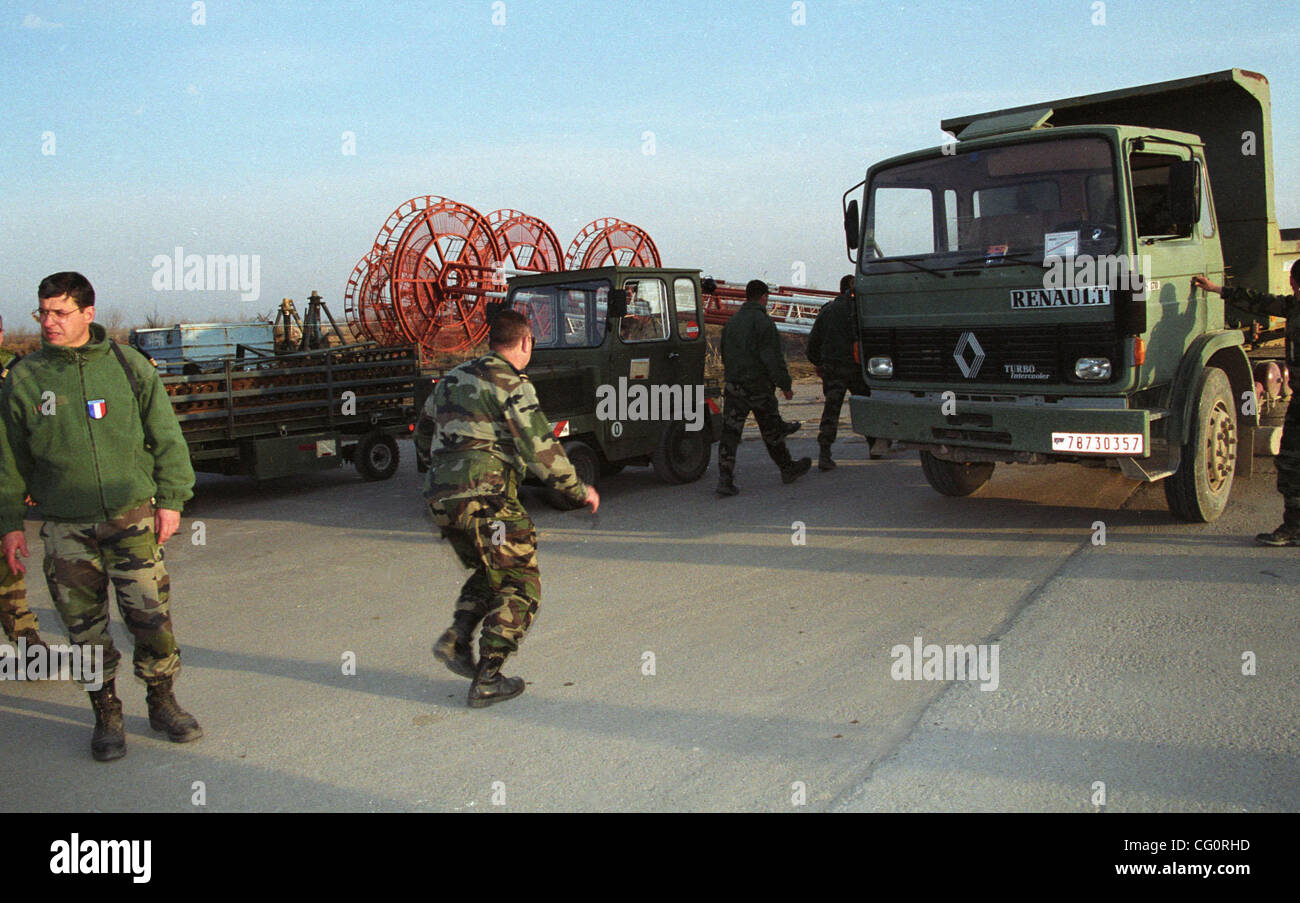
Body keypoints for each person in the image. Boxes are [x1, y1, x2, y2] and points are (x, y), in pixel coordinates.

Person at [0, 272, 200, 761]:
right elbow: (9, 459)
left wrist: (172, 499)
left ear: (88, 314)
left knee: (150, 617)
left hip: (130, 519)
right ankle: (105, 712)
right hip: (67, 528)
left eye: (59, 313)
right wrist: (8, 523)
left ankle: (162, 701)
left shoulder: (128, 367)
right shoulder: (24, 379)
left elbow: (166, 436)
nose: (48, 322)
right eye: (42, 312)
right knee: (83, 629)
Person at [418, 308, 599, 708]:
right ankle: (489, 677)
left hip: (440, 498)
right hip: (485, 497)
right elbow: (541, 448)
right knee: (521, 581)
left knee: (490, 568)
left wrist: (441, 472)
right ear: (525, 342)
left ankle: (456, 641)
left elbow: (423, 430)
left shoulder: (452, 378)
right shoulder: (512, 383)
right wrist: (578, 489)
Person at [1194, 265, 1300, 545]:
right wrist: (1217, 289)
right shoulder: (1293, 306)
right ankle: (1294, 528)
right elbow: (1258, 300)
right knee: (1291, 466)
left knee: (1292, 465)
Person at [715, 279, 812, 496]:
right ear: (764, 297)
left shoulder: (731, 323)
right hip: (758, 387)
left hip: (734, 387)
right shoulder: (763, 322)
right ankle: (787, 468)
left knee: (730, 434)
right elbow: (773, 358)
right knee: (771, 431)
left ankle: (724, 479)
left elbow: (724, 354)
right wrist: (785, 385)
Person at [0, 314, 46, 651]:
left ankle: (26, 639)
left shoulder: (17, 375)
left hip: (5, 481)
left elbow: (35, 429)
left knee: (8, 562)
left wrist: (32, 479)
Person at [806, 274, 872, 470]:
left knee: (831, 411)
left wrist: (818, 362)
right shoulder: (861, 310)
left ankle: (825, 454)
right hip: (857, 369)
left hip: (833, 369)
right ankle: (876, 446)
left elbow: (813, 344)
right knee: (865, 408)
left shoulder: (827, 311)